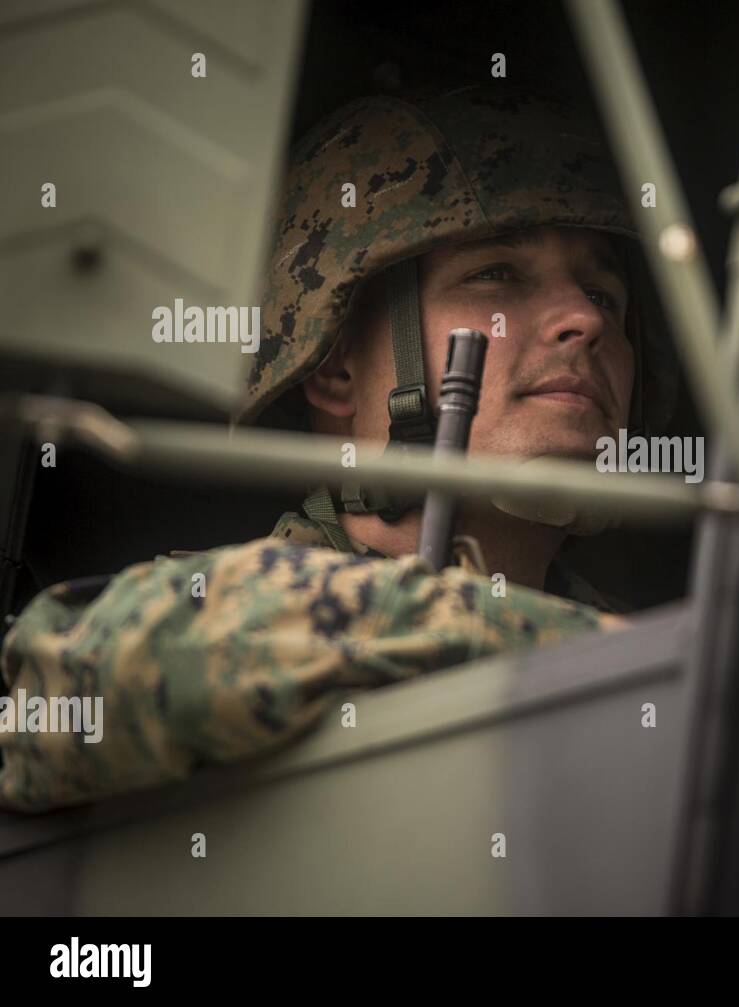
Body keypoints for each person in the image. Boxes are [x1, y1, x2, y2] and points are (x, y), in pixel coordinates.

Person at [0, 84, 677, 812]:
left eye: (606, 295)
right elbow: (55, 698)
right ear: (335, 369)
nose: (584, 318)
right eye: (498, 275)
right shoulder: (208, 617)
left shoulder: (669, 663)